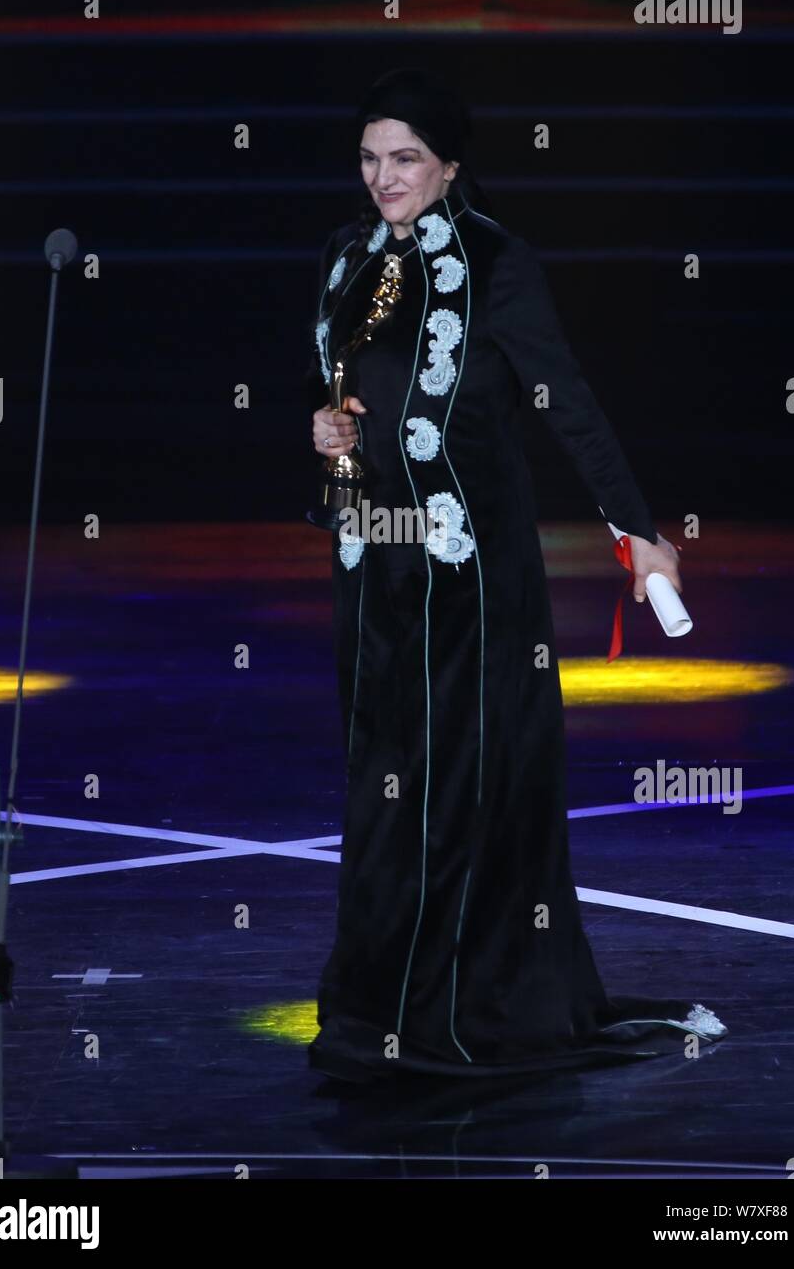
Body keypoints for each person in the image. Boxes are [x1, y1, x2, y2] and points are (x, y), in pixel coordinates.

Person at [303, 67, 726, 1082]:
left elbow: (564, 402)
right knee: (383, 788)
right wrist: (321, 436)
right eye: (369, 158)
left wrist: (635, 530)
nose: (383, 178)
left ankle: (470, 1004)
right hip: (372, 569)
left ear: (449, 163)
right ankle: (379, 1004)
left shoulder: (496, 262)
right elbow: (343, 412)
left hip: (470, 579)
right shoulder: (344, 259)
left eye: (403, 158)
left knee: (464, 787)